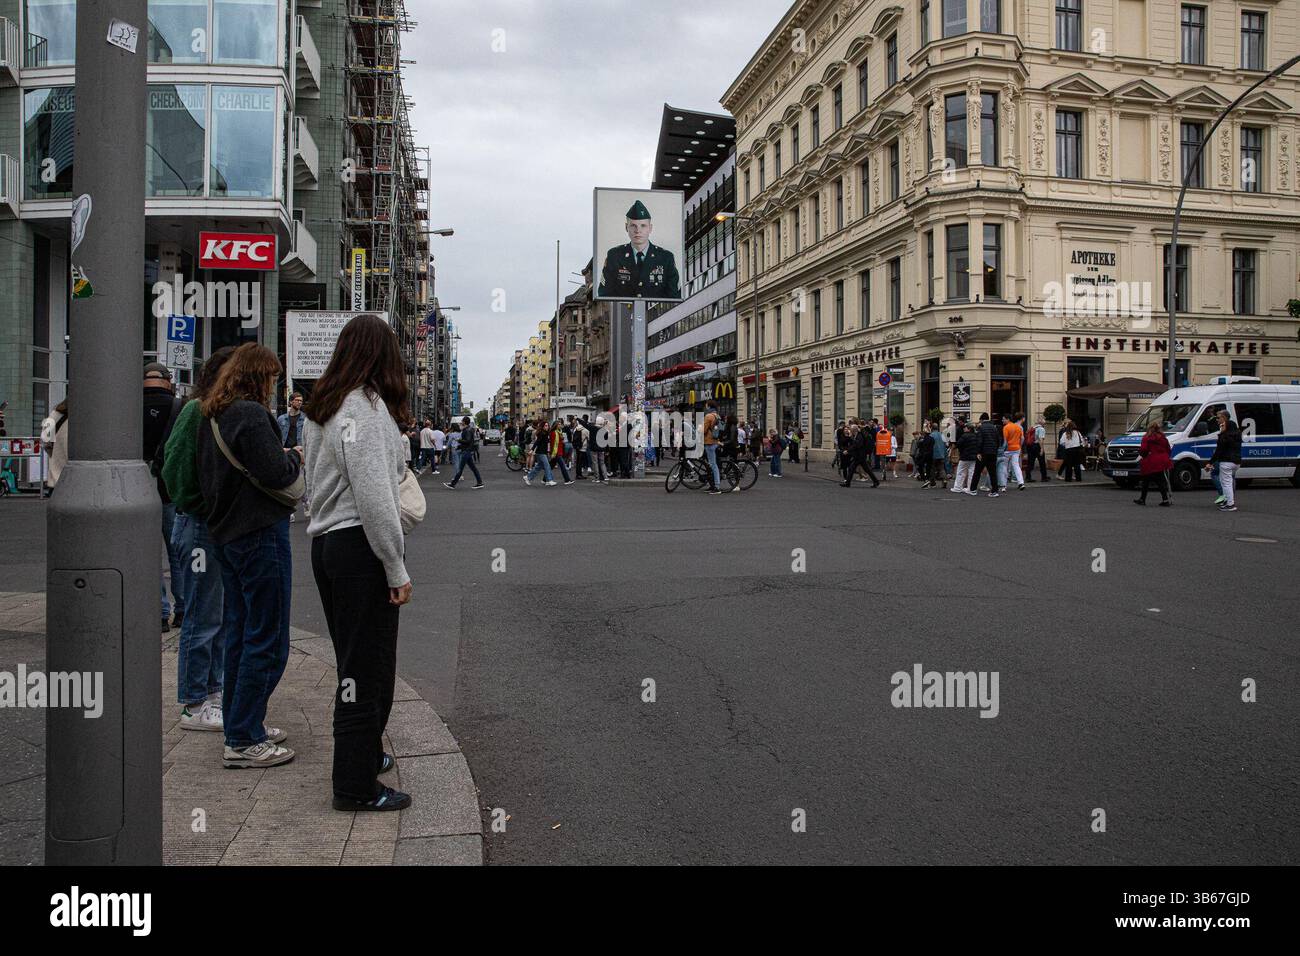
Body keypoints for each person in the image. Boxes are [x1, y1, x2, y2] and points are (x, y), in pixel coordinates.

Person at [304, 313, 413, 812]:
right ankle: (354, 786)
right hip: (359, 547)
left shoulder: (323, 406)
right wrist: (396, 566)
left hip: (329, 546)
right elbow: (375, 498)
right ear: (381, 356)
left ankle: (364, 756)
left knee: (355, 665)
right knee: (367, 674)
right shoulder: (362, 409)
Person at [196, 343, 302, 769]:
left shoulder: (211, 414)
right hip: (260, 532)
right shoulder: (252, 415)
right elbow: (275, 473)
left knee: (240, 634)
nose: (276, 386)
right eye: (273, 377)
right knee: (268, 638)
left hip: (227, 535)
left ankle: (242, 723)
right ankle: (243, 738)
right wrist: (292, 460)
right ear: (259, 377)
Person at [162, 346, 236, 734]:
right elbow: (174, 469)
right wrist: (201, 504)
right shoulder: (196, 412)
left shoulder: (218, 412)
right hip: (198, 526)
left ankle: (212, 693)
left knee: (217, 615)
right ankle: (194, 702)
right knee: (202, 615)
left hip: (212, 525)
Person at [144, 362, 186, 632]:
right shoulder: (180, 407)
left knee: (149, 555)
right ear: (168, 381)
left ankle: (159, 612)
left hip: (139, 490)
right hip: (171, 489)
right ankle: (182, 609)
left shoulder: (129, 407)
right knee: (178, 554)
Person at [597, 198, 681, 299]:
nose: (638, 231)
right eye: (633, 225)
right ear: (626, 227)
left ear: (650, 228)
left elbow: (675, 296)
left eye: (643, 226)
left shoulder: (666, 258)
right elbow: (604, 295)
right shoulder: (614, 256)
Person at [1208, 410, 1241, 512]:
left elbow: (1219, 450)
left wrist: (1210, 462)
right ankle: (1227, 501)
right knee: (1228, 481)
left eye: (1222, 424)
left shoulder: (1225, 436)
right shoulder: (1237, 435)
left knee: (1226, 483)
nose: (1220, 424)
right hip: (1236, 461)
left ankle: (1230, 503)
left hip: (1226, 461)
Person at [1133, 421, 1173, 506]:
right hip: (1162, 460)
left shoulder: (1146, 438)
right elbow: (1168, 449)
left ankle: (1142, 499)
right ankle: (1165, 500)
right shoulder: (1163, 438)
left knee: (1146, 480)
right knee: (1160, 480)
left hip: (1151, 461)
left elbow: (1144, 450)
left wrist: (1141, 454)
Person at [444, 416, 485, 489]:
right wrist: (459, 447)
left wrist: (458, 440)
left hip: (466, 451)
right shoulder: (468, 429)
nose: (461, 422)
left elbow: (468, 441)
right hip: (467, 451)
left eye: (462, 421)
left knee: (460, 469)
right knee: (473, 468)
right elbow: (467, 442)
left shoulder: (467, 430)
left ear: (464, 422)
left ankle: (453, 484)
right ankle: (480, 482)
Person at [951, 421, 981, 495]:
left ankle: (958, 487)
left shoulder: (964, 436)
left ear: (968, 429)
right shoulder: (976, 436)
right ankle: (970, 488)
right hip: (973, 457)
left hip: (964, 456)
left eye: (965, 428)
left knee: (961, 472)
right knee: (971, 472)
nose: (964, 429)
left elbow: (958, 444)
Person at [524, 421, 557, 486]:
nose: (547, 427)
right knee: (547, 466)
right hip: (540, 453)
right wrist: (532, 450)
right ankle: (549, 480)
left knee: (538, 467)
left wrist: (548, 451)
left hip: (543, 452)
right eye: (545, 425)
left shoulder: (546, 433)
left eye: (547, 425)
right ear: (542, 426)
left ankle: (528, 477)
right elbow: (537, 442)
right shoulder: (541, 433)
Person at [701, 400, 722, 494]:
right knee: (712, 464)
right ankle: (712, 484)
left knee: (713, 465)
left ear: (709, 406)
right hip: (716, 441)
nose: (705, 407)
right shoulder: (717, 415)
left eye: (706, 405)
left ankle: (716, 487)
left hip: (709, 442)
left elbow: (703, 430)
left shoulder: (708, 416)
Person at [1002, 413, 1025, 491]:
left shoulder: (1006, 427)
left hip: (1007, 450)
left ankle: (1003, 485)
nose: (1002, 420)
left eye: (1003, 419)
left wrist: (1003, 449)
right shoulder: (1018, 427)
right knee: (1016, 466)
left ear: (1008, 419)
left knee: (1004, 467)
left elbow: (1005, 440)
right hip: (1016, 449)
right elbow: (1022, 438)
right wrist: (1020, 446)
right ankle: (1021, 483)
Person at [547, 419, 575, 484]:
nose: (560, 425)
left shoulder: (558, 432)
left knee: (551, 466)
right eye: (559, 424)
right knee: (563, 467)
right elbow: (553, 444)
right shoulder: (554, 433)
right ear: (556, 425)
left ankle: (544, 479)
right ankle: (567, 480)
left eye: (560, 424)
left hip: (558, 451)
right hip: (556, 452)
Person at [1024, 416, 1049, 481]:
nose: (1045, 421)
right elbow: (1040, 439)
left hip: (1030, 446)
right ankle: (1044, 477)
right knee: (1042, 462)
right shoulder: (1041, 429)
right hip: (1037, 446)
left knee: (1030, 462)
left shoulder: (1033, 427)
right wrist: (1042, 449)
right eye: (1044, 420)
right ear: (1041, 421)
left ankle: (1028, 477)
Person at [928, 420, 947, 488]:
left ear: (932, 428)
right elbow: (945, 444)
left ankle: (933, 483)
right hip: (941, 454)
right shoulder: (941, 434)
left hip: (934, 455)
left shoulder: (931, 435)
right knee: (941, 468)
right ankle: (944, 480)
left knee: (932, 469)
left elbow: (929, 445)